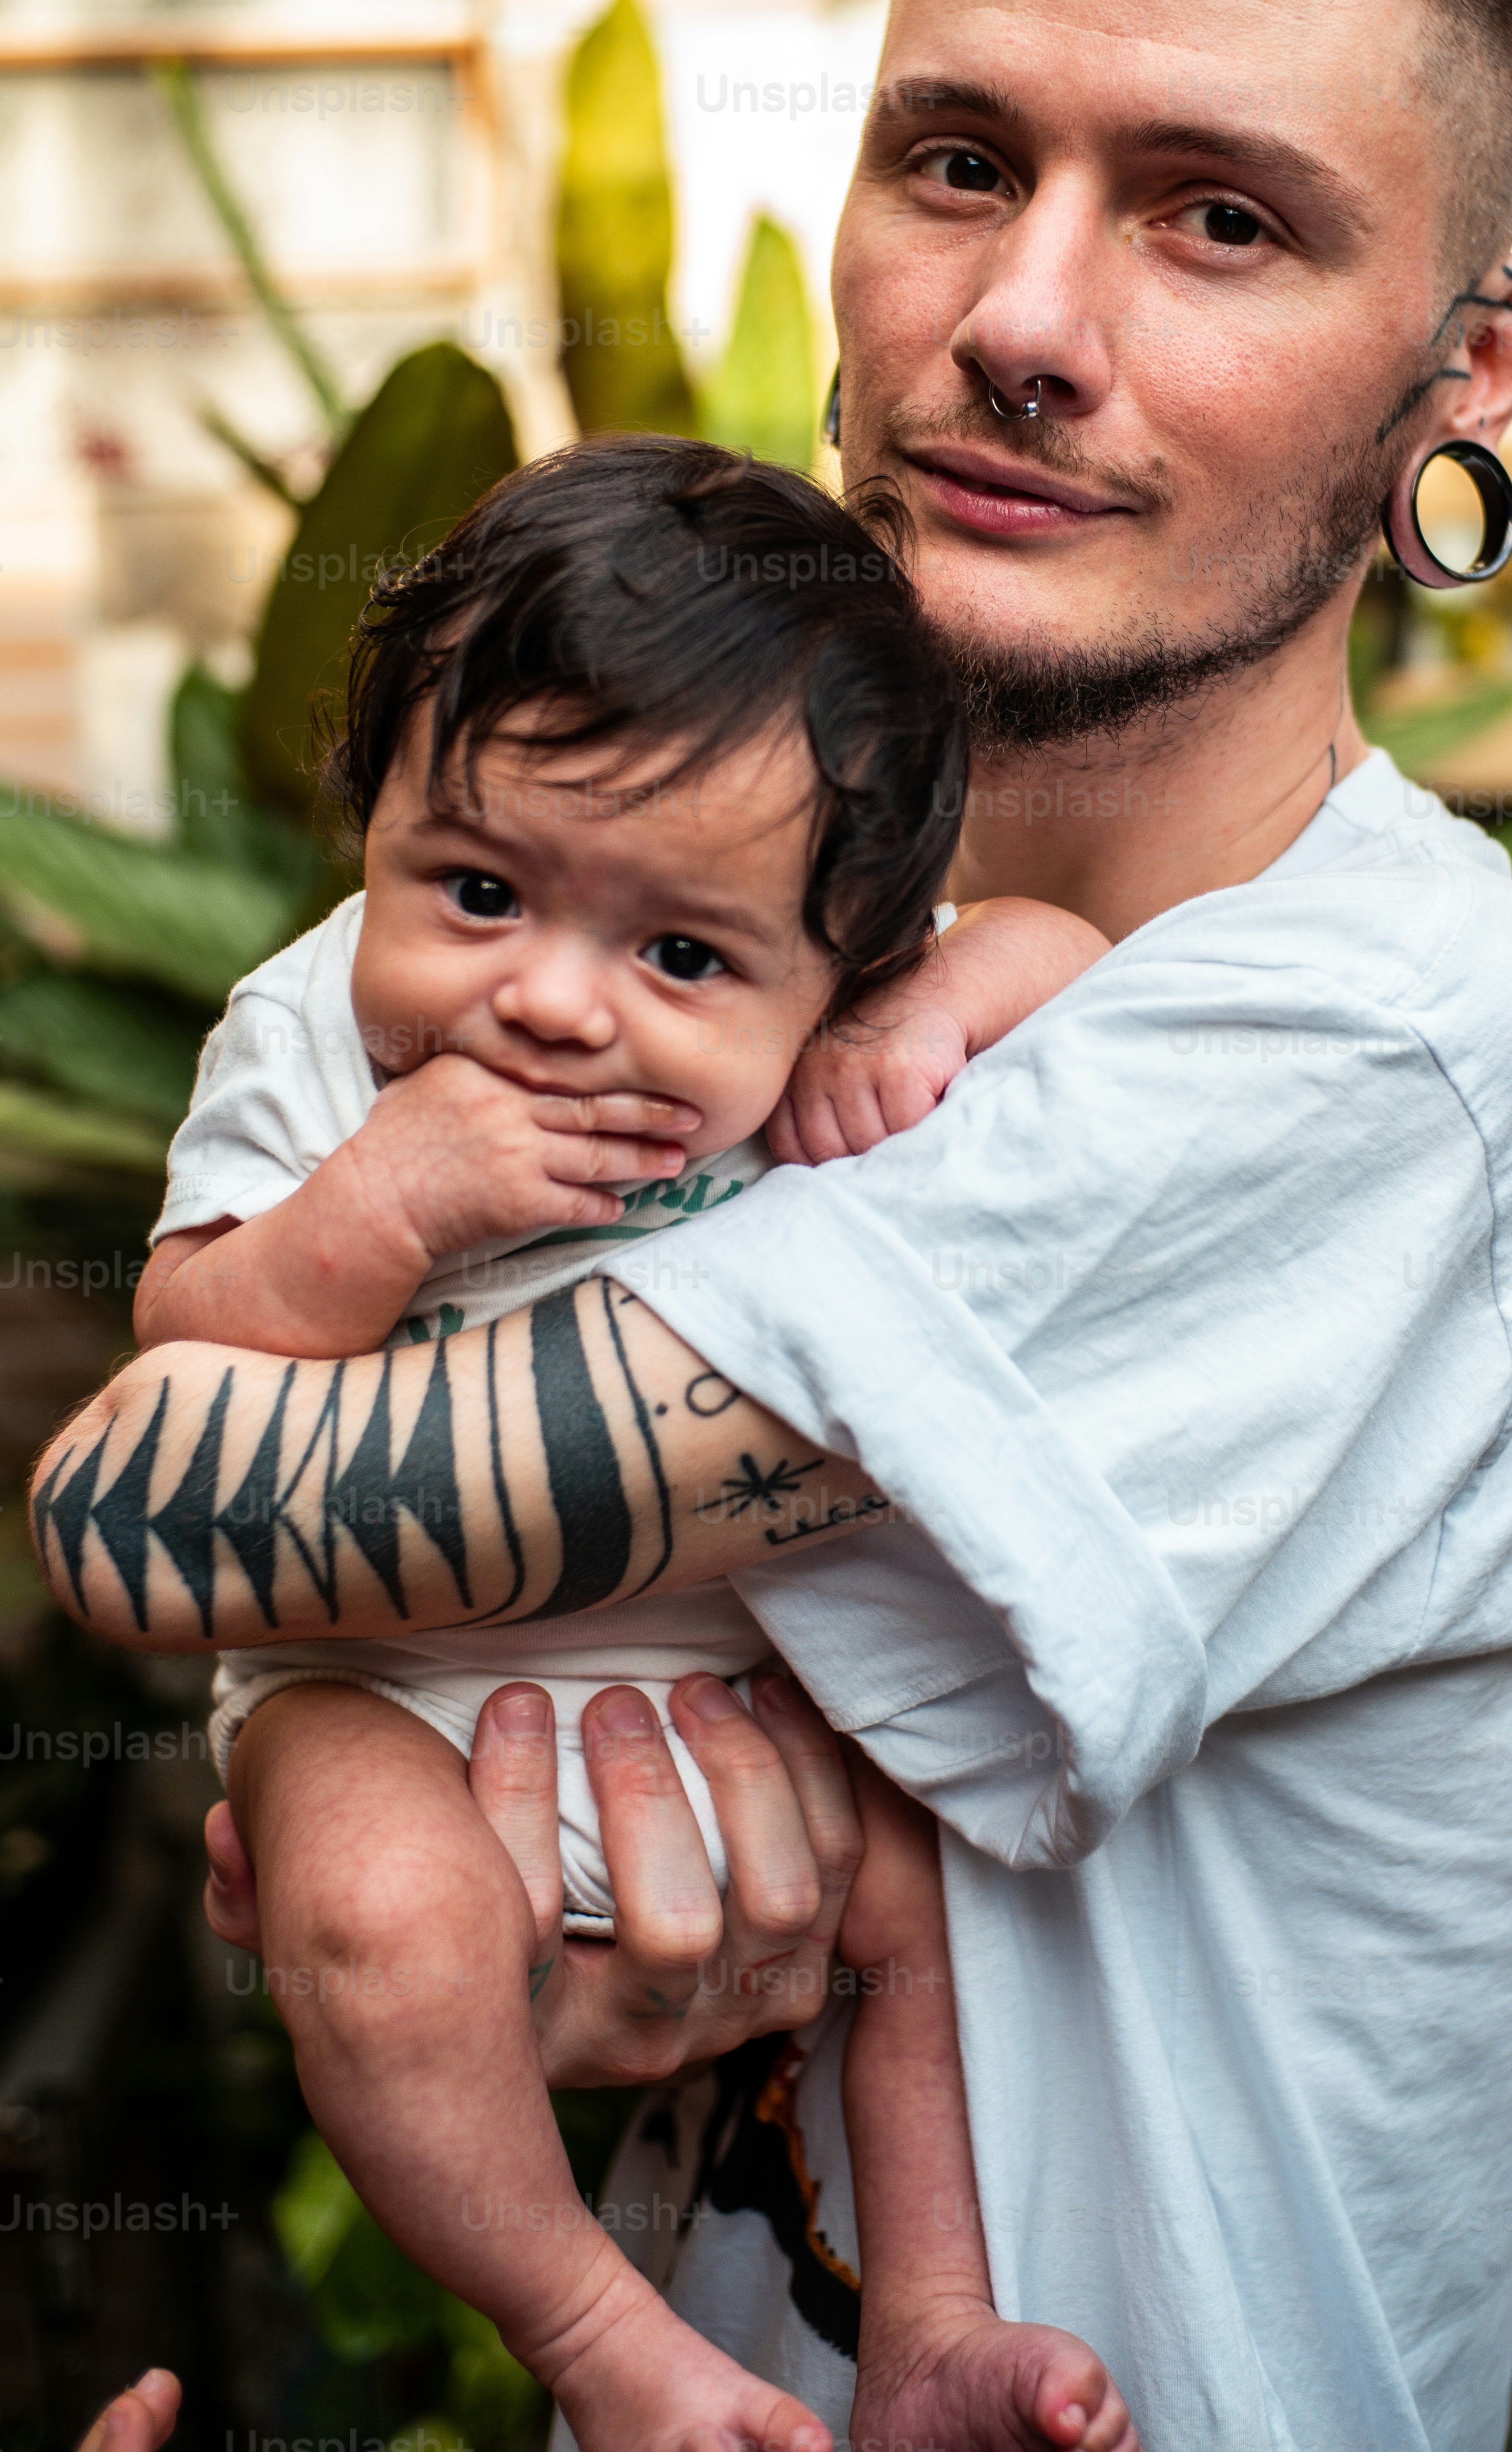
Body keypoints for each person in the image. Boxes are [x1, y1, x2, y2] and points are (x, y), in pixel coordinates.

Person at [33, 0, 1512, 2452]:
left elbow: (153, 1529)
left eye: (1217, 217)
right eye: (955, 156)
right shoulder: (683, 949)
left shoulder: (1385, 1041)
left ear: (1470, 363)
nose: (1018, 316)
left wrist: (280, 1585)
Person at [127, 441, 1130, 2452]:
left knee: (911, 1901)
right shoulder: (317, 1031)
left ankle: (929, 2317)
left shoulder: (828, 1021)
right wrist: (371, 1216)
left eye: (681, 959)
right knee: (379, 1921)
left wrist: (921, 1020)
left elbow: (1070, 952)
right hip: (381, 1693)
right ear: (376, 823)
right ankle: (598, 2339)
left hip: (726, 1693)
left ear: (831, 956)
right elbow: (180, 1360)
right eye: (478, 893)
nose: (555, 1004)